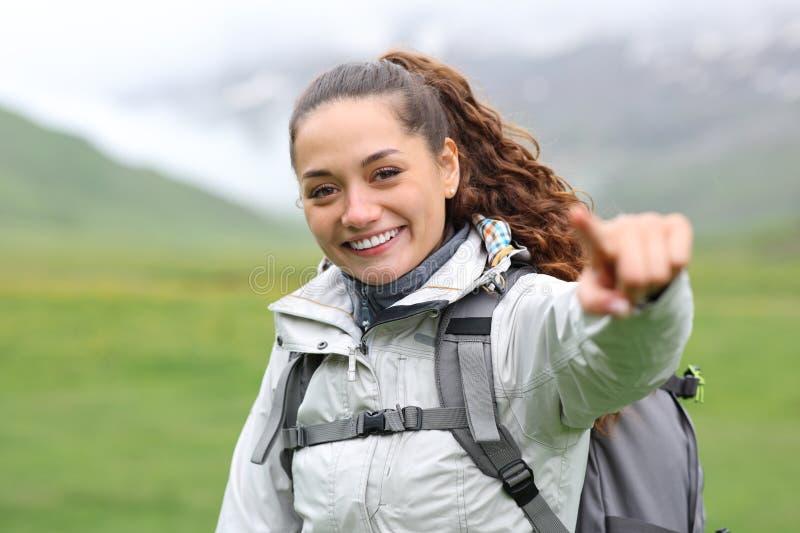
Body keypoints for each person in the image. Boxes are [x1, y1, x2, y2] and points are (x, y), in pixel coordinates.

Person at [216, 50, 694, 533]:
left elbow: (620, 360)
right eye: (323, 190)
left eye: (384, 174)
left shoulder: (520, 317)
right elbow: (251, 517)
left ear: (447, 167)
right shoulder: (305, 343)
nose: (356, 213)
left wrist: (644, 303)